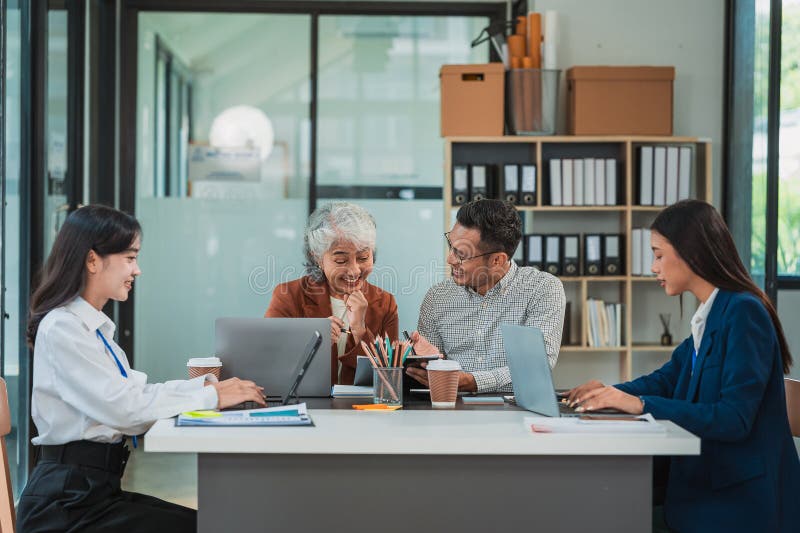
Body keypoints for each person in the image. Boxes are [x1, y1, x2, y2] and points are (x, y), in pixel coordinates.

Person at [16, 205, 266, 533]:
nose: (137, 270)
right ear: (92, 260)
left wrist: (208, 389)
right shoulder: (63, 328)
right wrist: (210, 394)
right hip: (65, 508)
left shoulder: (93, 329)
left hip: (90, 494)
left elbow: (134, 396)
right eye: (130, 258)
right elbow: (127, 411)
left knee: (208, 524)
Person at [566, 200, 800, 533]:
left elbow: (735, 418)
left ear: (691, 252)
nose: (652, 267)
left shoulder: (743, 313)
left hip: (740, 504)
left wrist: (640, 405)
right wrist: (610, 392)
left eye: (659, 255)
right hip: (705, 488)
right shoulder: (711, 314)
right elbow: (665, 380)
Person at [407, 199, 565, 393]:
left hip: (517, 411)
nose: (449, 259)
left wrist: (472, 381)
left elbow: (536, 369)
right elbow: (430, 375)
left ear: (497, 260)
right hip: (452, 411)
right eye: (451, 245)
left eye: (461, 255)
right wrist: (421, 361)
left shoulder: (542, 289)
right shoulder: (437, 298)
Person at [266, 202, 398, 385]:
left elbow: (388, 381)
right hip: (308, 405)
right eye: (341, 260)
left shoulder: (385, 303)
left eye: (363, 258)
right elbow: (268, 363)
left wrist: (360, 330)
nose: (354, 271)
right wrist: (312, 342)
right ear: (317, 257)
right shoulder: (289, 296)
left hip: (363, 410)